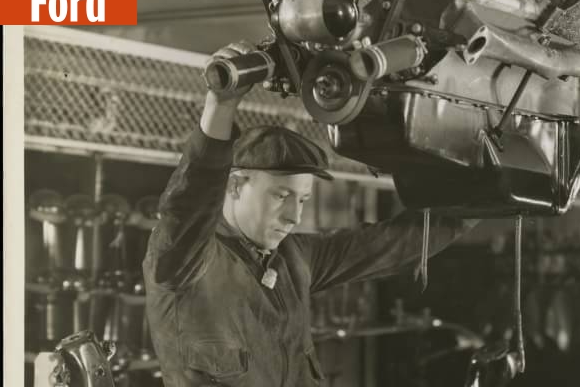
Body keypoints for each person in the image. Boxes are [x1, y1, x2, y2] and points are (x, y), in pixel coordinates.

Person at [143, 43, 480, 386]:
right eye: (281, 195)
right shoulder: (185, 258)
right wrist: (221, 105)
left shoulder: (293, 259)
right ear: (234, 185)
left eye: (302, 200)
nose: (294, 217)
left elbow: (391, 245)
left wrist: (485, 194)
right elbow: (193, 195)